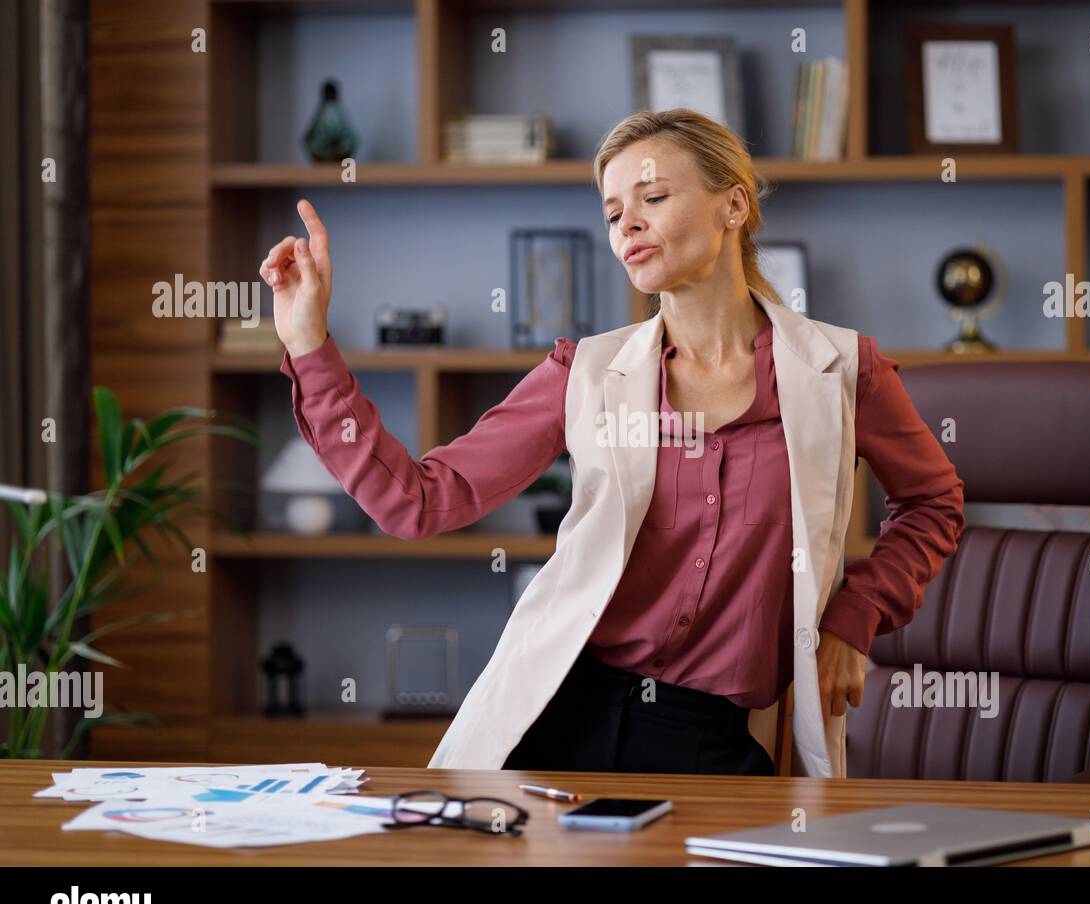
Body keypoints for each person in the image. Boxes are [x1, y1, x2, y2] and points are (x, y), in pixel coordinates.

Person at [261, 108, 965, 776]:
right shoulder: (585, 374)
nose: (627, 222)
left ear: (734, 206)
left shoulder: (841, 370)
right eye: (611, 212)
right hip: (561, 713)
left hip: (710, 736)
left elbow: (934, 503)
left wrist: (854, 619)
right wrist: (309, 344)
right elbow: (416, 502)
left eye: (652, 196)